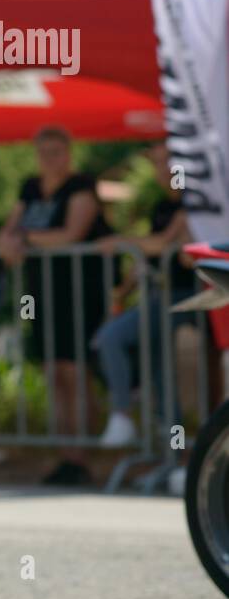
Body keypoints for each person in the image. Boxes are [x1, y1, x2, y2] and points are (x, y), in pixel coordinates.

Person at [0, 126, 111, 486]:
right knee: (53, 373)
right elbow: (7, 231)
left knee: (75, 374)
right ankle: (65, 454)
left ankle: (83, 457)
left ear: (69, 153)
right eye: (44, 151)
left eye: (57, 151)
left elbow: (71, 234)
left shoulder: (81, 187)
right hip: (40, 292)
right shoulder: (30, 187)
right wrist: (9, 240)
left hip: (79, 292)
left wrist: (24, 239)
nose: (50, 159)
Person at [92, 141, 197, 446]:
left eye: (169, 162)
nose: (163, 170)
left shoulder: (194, 203)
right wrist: (121, 292)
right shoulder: (162, 206)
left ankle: (123, 414)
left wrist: (121, 240)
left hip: (189, 298)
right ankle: (172, 453)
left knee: (115, 339)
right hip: (161, 299)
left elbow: (165, 245)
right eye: (158, 163)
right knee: (156, 370)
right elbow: (149, 258)